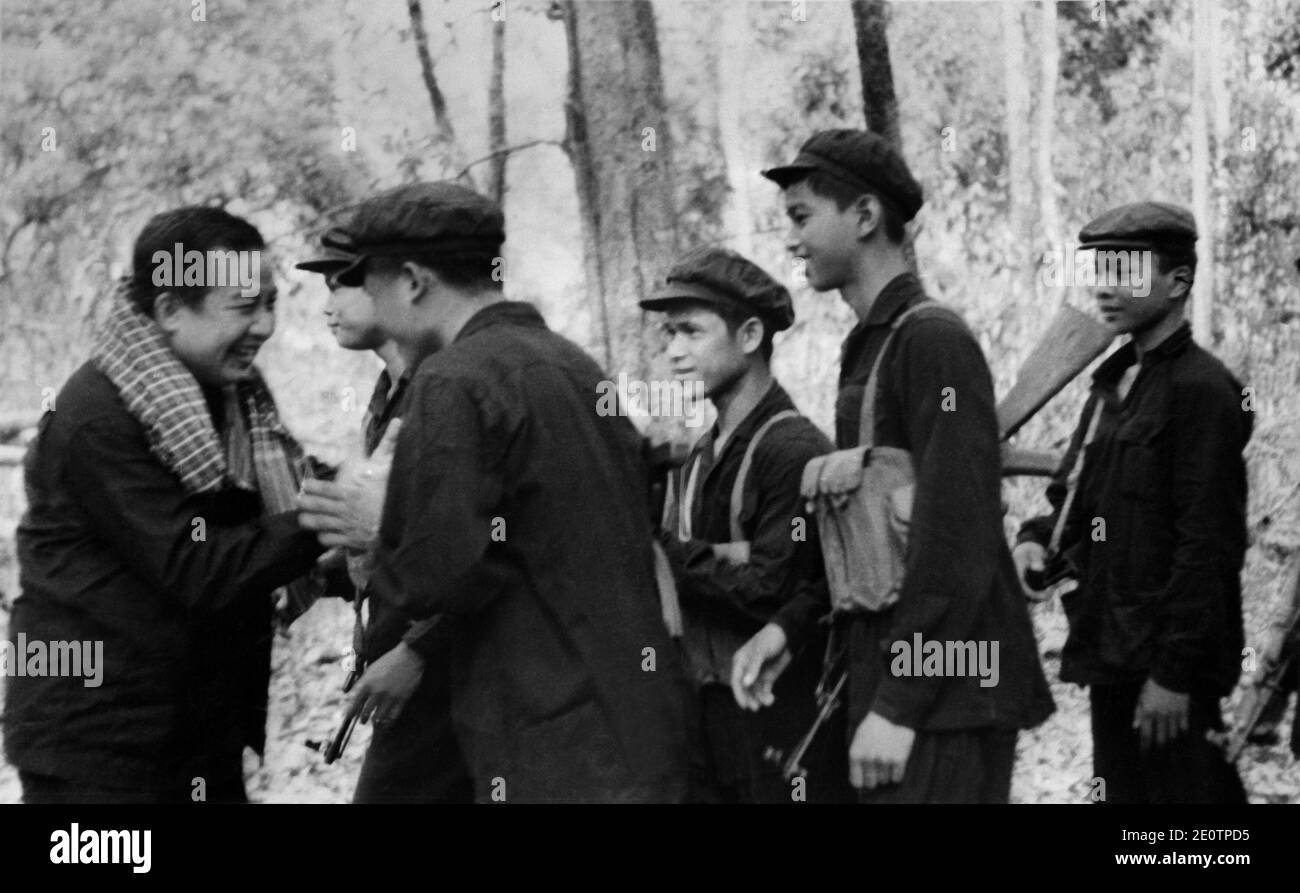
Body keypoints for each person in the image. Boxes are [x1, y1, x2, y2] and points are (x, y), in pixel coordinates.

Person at [298, 181, 690, 802]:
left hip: (555, 741)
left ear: (414, 280)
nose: (366, 299)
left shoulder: (453, 380)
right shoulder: (571, 363)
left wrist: (380, 527)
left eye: (368, 283)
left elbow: (439, 575)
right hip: (636, 727)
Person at [733, 129, 1054, 803]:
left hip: (947, 697)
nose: (790, 240)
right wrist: (787, 629)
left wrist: (899, 705)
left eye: (801, 216)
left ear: (866, 216)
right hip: (898, 681)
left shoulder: (933, 341)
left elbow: (957, 536)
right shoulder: (870, 347)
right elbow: (862, 536)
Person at [3, 207, 328, 803]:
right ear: (171, 310)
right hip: (99, 747)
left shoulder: (229, 402)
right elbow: (195, 565)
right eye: (244, 307)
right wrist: (325, 519)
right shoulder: (100, 418)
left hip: (190, 731)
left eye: (271, 304)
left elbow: (263, 505)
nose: (264, 325)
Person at [1013, 202, 1250, 803]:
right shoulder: (1113, 381)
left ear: (1178, 282)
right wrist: (1035, 539)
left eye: (1126, 271)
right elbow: (1075, 489)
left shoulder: (1205, 391)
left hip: (1167, 672)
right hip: (1109, 651)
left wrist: (1173, 676)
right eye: (1100, 269)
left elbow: (1210, 547)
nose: (1104, 286)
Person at [641, 245, 851, 803]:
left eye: (691, 332)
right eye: (668, 336)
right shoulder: (699, 453)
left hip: (781, 721)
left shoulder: (791, 449)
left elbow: (770, 589)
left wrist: (659, 547)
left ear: (751, 336)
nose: (674, 352)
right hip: (709, 716)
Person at [294, 232, 473, 803]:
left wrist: (421, 648)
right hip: (409, 662)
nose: (328, 306)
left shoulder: (442, 385)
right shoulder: (392, 389)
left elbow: (485, 540)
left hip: (449, 667)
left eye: (343, 285)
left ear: (393, 283)